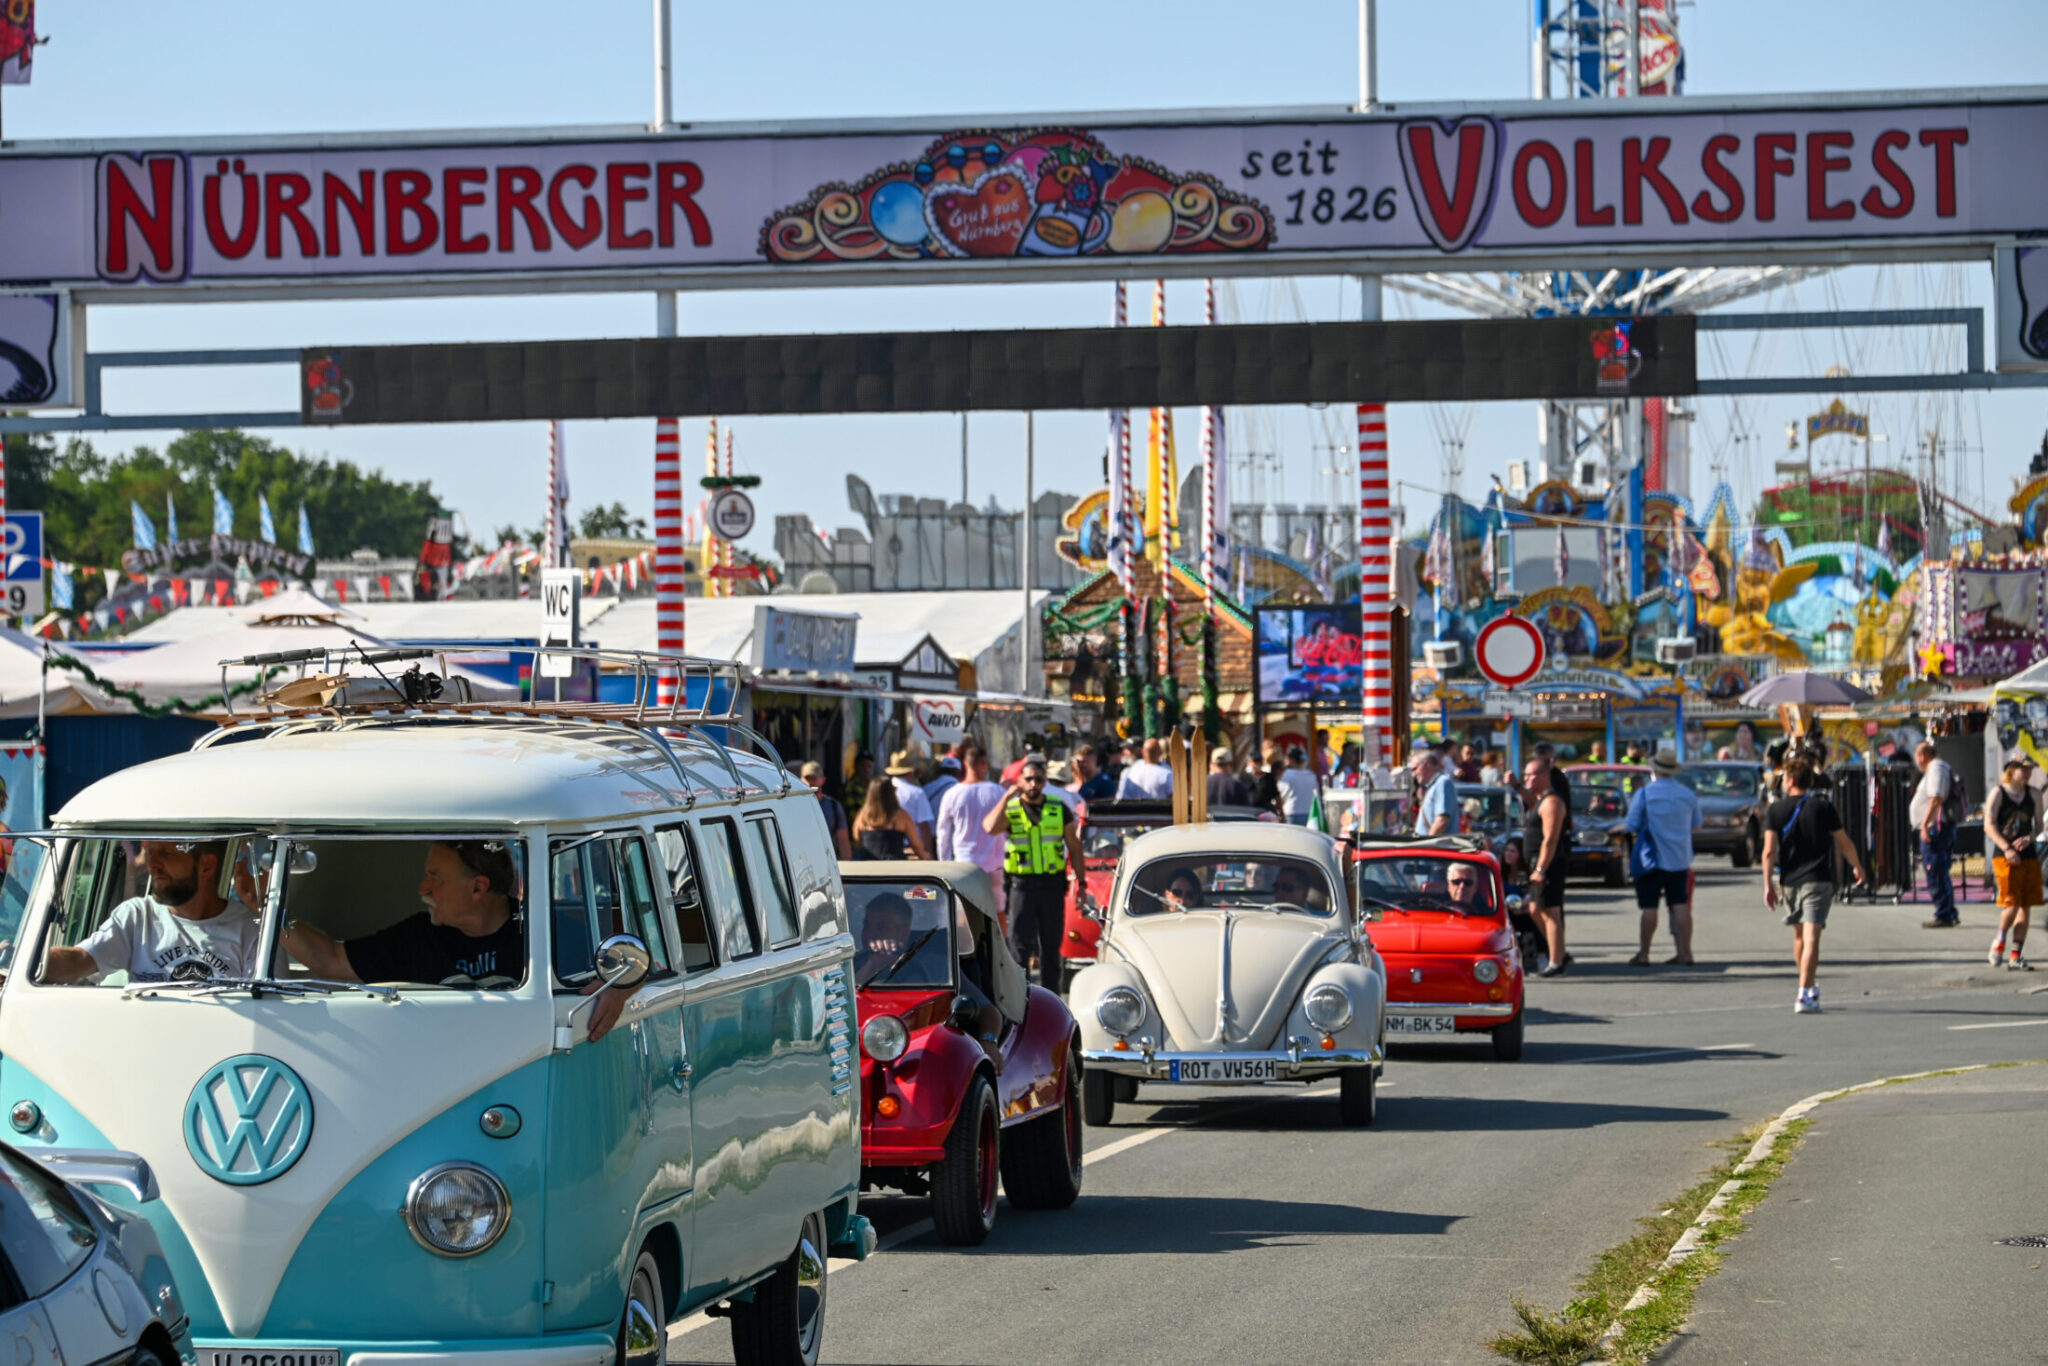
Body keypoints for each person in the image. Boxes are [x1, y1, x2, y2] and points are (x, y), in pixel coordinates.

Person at [36, 839, 260, 985]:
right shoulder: (137, 916)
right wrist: (27, 965)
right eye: (151, 853)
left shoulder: (250, 929)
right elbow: (80, 960)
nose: (152, 864)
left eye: (166, 854)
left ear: (206, 866)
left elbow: (265, 1007)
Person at [1762, 755, 1869, 1014]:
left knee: (1800, 936)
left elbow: (1768, 852)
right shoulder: (1823, 807)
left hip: (1789, 881)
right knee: (1812, 937)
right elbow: (1843, 841)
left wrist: (1767, 885)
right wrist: (1857, 865)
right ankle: (1804, 993)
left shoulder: (1775, 811)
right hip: (1819, 879)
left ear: (1789, 781)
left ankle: (1807, 986)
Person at [983, 755, 1081, 989]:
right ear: (1020, 781)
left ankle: (1052, 1000)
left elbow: (1075, 848)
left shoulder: (1059, 810)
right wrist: (1007, 796)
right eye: (1028, 779)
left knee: (1051, 948)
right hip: (1021, 887)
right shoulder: (1012, 809)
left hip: (1052, 887)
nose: (1033, 784)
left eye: (1038, 779)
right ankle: (1021, 1001)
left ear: (1045, 781)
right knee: (1019, 949)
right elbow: (989, 827)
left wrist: (1083, 884)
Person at [1625, 749, 1703, 966]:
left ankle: (1644, 954)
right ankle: (1686, 953)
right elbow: (1697, 824)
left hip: (1651, 859)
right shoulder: (1686, 794)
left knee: (1649, 907)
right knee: (1680, 905)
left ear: (1654, 770)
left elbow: (1631, 824)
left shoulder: (1645, 794)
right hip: (1679, 859)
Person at [936, 743, 1010, 908]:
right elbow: (1008, 829)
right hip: (995, 865)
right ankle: (1001, 936)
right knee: (998, 914)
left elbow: (943, 834)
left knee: (965, 914)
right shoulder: (999, 792)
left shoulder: (952, 794)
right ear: (984, 764)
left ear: (965, 764)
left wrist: (945, 864)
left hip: (965, 865)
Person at [1985, 758, 2042, 970]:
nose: (2027, 773)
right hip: (2004, 856)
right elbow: (1989, 825)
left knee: (2025, 906)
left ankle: (2016, 954)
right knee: (2012, 903)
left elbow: (2039, 825)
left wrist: (2030, 838)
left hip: (2028, 855)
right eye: (2024, 769)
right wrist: (2007, 849)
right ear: (2012, 770)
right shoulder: (1999, 793)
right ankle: (1999, 941)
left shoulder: (2034, 794)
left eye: (2030, 770)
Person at [1523, 759, 1570, 975]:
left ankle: (1555, 962)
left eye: (1531, 775)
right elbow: (1529, 798)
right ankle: (1559, 950)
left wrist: (1541, 869)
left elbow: (1550, 839)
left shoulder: (1552, 802)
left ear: (1543, 776)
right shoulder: (1540, 800)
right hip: (1536, 865)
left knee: (1551, 912)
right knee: (1534, 909)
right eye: (1525, 775)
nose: (1527, 779)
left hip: (1548, 866)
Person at [1910, 740, 1962, 929]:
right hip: (1938, 828)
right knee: (1939, 870)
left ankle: (1944, 913)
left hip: (1936, 829)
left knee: (1936, 870)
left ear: (1922, 756)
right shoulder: (1937, 769)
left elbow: (1936, 799)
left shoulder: (1936, 770)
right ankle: (1947, 911)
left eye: (1917, 757)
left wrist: (1924, 825)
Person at [852, 779, 928, 861]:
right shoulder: (900, 816)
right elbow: (916, 845)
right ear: (891, 794)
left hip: (867, 867)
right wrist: (926, 857)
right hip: (894, 868)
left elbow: (858, 843)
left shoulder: (862, 816)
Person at [885, 749, 937, 854]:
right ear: (910, 773)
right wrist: (928, 853)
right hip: (913, 849)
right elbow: (924, 826)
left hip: (886, 847)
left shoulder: (882, 791)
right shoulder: (916, 793)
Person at [801, 761, 852, 860]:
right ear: (800, 779)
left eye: (814, 778)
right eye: (807, 778)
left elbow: (843, 842)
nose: (811, 783)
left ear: (823, 780)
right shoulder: (794, 807)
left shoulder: (834, 807)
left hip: (827, 861)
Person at [1412, 747, 1457, 838]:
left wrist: (1426, 846)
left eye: (1415, 768)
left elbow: (1442, 821)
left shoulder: (1443, 783)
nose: (1414, 774)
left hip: (1435, 849)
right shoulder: (1434, 786)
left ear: (1427, 764)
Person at [1278, 747, 1321, 826]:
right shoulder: (1311, 775)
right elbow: (1317, 795)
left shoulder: (1287, 775)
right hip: (1310, 812)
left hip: (1292, 812)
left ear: (1291, 760)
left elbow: (1281, 794)